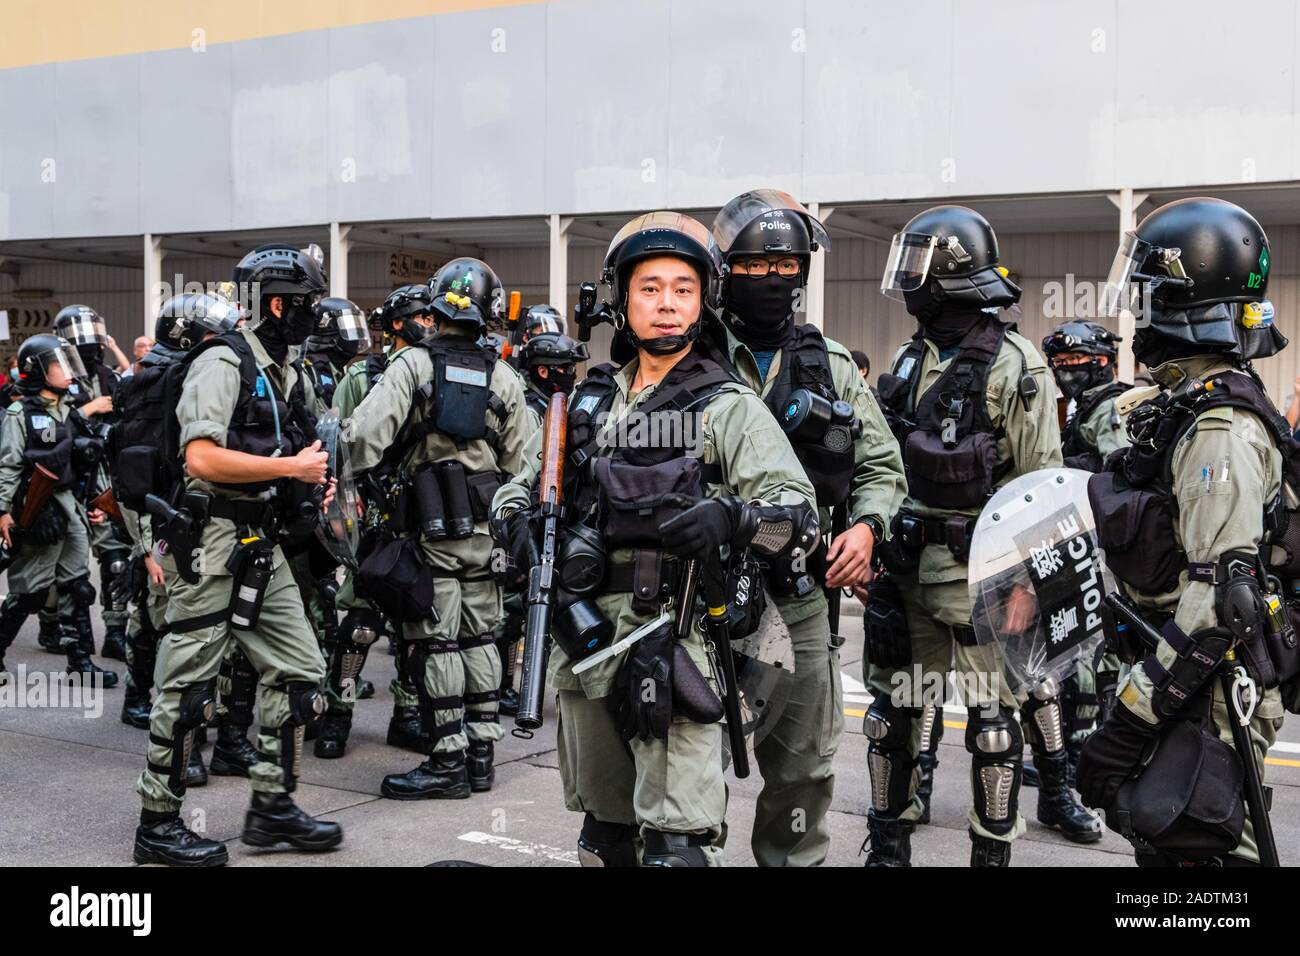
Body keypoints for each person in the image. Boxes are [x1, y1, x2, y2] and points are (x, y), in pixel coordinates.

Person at [493, 211, 820, 866]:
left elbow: (800, 521)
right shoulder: (585, 404)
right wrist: (517, 528)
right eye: (649, 288)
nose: (666, 304)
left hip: (677, 643)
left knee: (678, 847)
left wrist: (738, 521)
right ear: (622, 298)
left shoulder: (728, 406)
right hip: (582, 640)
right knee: (603, 838)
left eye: (682, 288)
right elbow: (515, 489)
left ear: (705, 301)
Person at [868, 205, 1100, 866]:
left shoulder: (1016, 365)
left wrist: (1030, 589)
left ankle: (990, 852)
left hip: (983, 584)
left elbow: (1042, 490)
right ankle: (887, 848)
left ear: (950, 277)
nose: (909, 282)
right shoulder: (912, 359)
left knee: (993, 730)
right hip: (909, 576)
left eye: (919, 268)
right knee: (892, 720)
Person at [1078, 197, 1291, 866]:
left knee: (1205, 863)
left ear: (1186, 303)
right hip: (1188, 685)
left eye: (1149, 296)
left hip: (1211, 694)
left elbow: (1216, 607)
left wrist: (1130, 718)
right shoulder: (1182, 403)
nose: (1139, 312)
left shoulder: (1218, 430)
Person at [709, 189, 907, 866]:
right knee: (689, 764)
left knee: (802, 771)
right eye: (755, 266)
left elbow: (882, 467)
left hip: (799, 598)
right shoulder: (687, 358)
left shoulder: (830, 364)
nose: (773, 279)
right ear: (724, 268)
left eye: (786, 265)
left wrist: (867, 529)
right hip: (698, 598)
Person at [132, 242, 343, 867]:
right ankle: (157, 822)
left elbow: (298, 450)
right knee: (188, 688)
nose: (316, 317)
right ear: (277, 305)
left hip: (262, 541)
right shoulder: (222, 362)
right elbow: (200, 457)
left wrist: (313, 477)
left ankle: (272, 807)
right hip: (210, 540)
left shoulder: (286, 371)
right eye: (307, 305)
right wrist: (289, 466)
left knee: (302, 672)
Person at [343, 259, 529, 798]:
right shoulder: (504, 377)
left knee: (438, 643)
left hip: (430, 530)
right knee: (480, 636)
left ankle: (447, 760)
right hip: (488, 531)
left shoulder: (411, 367)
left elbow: (362, 441)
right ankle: (480, 756)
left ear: (435, 307)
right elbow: (525, 463)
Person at [314, 288, 428, 759]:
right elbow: (338, 442)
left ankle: (407, 716)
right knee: (360, 622)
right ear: (398, 323)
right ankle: (337, 714)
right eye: (422, 316)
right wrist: (344, 508)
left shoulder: (434, 370)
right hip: (373, 511)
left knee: (414, 619)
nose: (431, 323)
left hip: (422, 511)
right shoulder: (363, 375)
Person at [1040, 321, 1132, 775]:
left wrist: (1069, 467)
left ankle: (1083, 753)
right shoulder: (1081, 407)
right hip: (1078, 538)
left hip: (1100, 546)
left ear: (1101, 362)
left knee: (1093, 649)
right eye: (1058, 364)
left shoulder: (1111, 405)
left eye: (1074, 362)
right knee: (1081, 647)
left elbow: (1115, 472)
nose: (1066, 370)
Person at [0, 334, 117, 687]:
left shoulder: (70, 412)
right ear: (38, 371)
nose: (68, 372)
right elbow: (8, 466)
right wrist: (3, 511)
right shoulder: (21, 413)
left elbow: (89, 464)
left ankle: (80, 664)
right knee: (31, 591)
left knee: (78, 586)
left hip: (72, 508)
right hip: (38, 510)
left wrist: (98, 504)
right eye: (59, 365)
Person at [52, 304, 131, 662]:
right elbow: (47, 430)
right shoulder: (53, 376)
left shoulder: (108, 375)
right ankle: (52, 622)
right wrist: (88, 409)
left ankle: (115, 631)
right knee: (63, 562)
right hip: (65, 477)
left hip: (103, 473)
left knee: (115, 558)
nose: (86, 340)